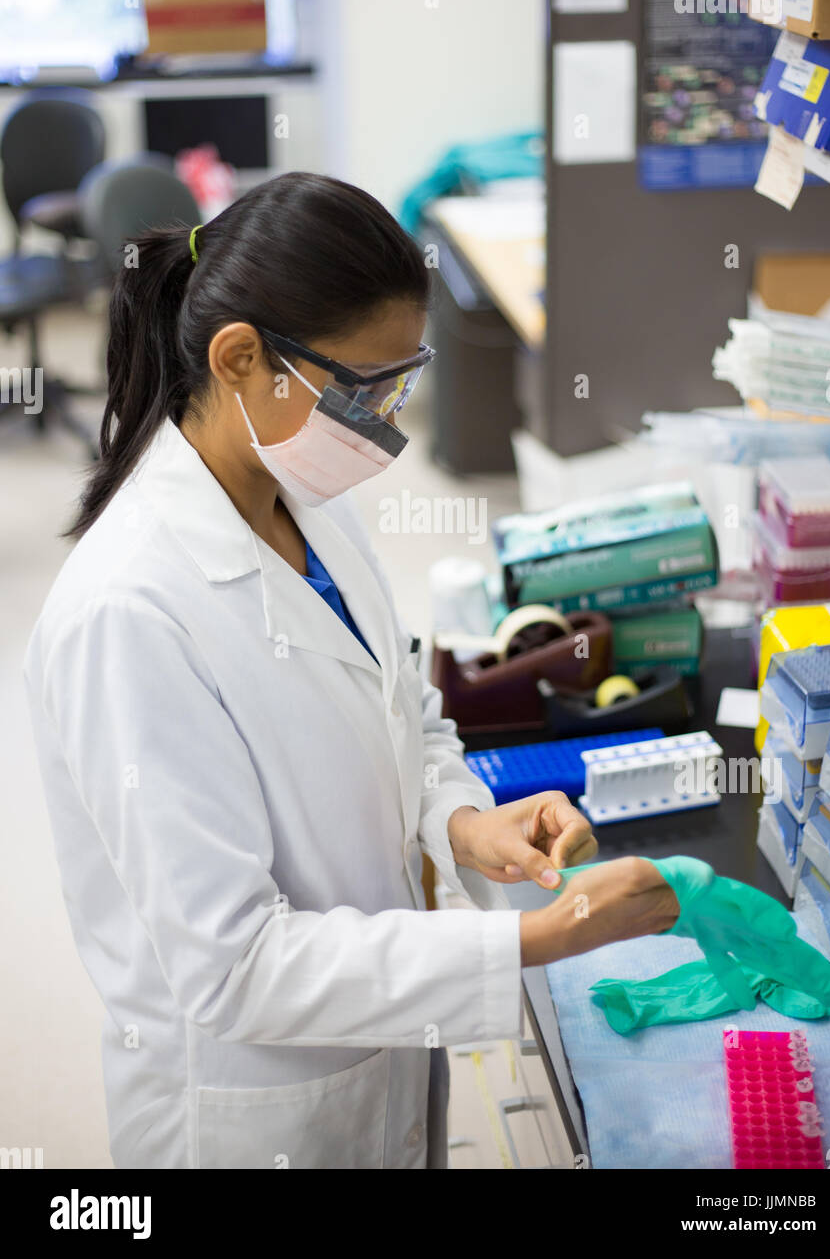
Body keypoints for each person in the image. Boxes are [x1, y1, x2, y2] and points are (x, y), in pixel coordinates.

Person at [24, 172, 678, 1169]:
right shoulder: (130, 613)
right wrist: (528, 943)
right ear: (240, 358)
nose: (386, 425)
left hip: (377, 1050)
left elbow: (402, 710)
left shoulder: (304, 495)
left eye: (399, 383)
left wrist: (459, 817)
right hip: (252, 1114)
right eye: (365, 391)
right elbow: (233, 967)